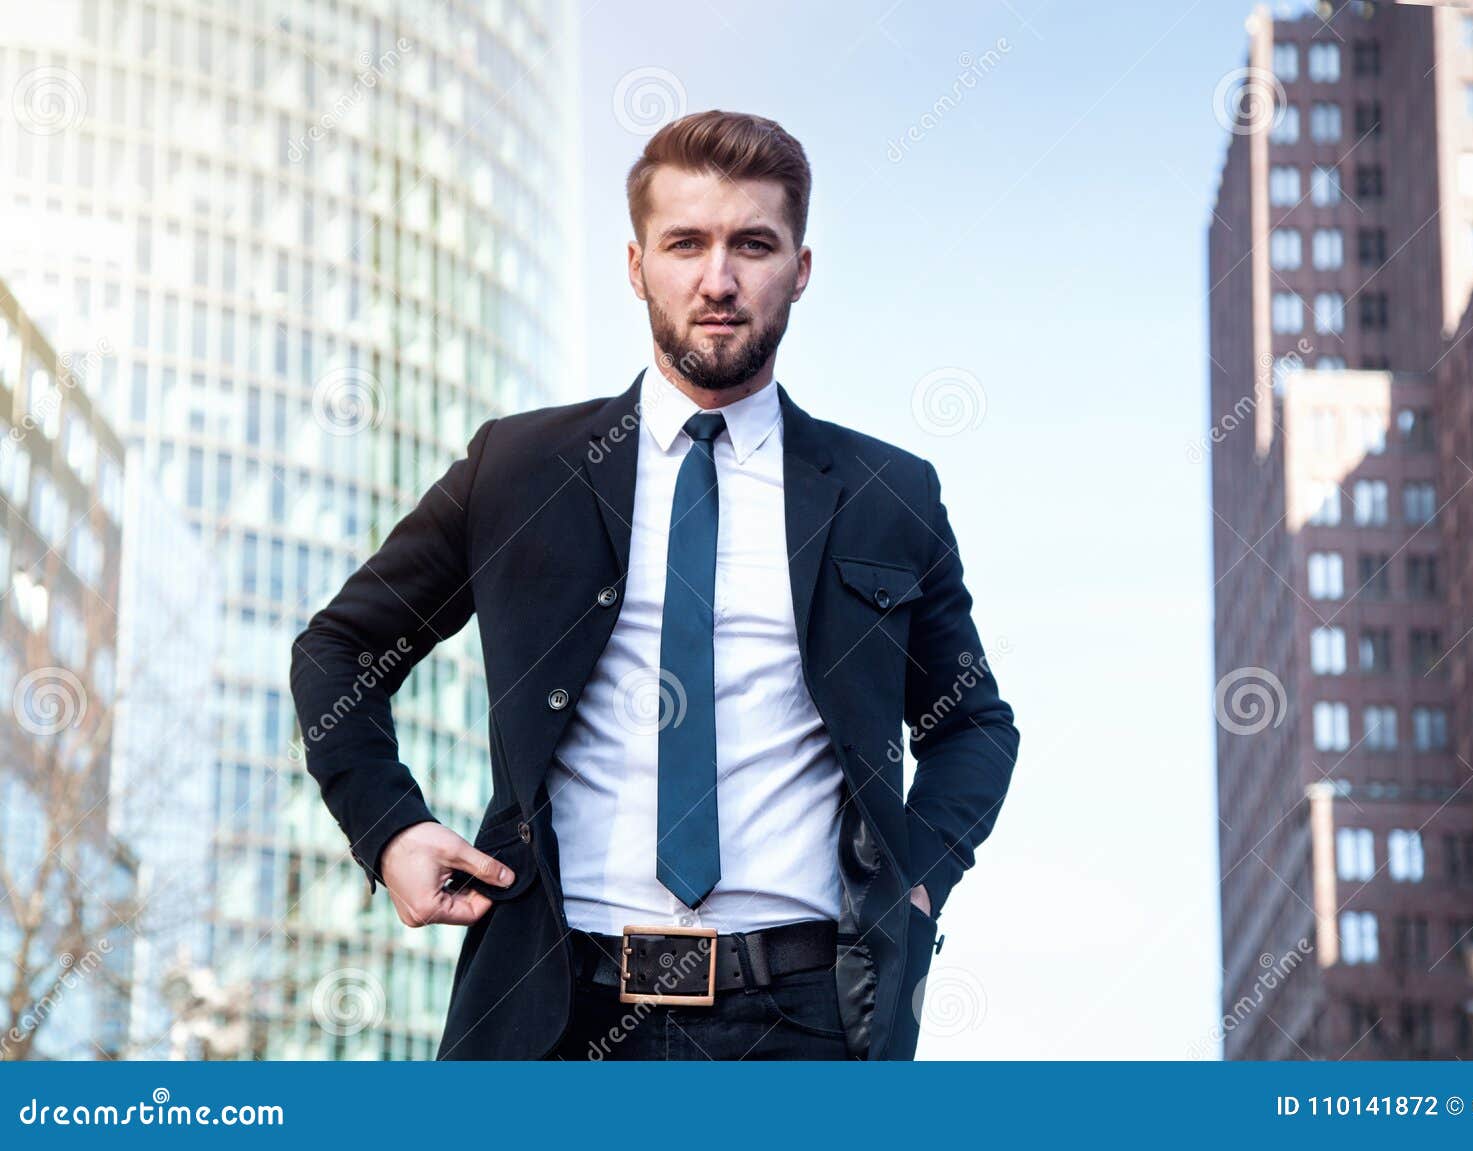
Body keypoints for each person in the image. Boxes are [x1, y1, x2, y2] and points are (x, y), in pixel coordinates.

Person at [289, 109, 1020, 1060]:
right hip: (555, 1015)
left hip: (805, 1027)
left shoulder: (890, 494)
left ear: (800, 268)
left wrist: (917, 875)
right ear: (637, 265)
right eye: (687, 243)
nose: (718, 279)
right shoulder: (518, 466)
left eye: (753, 244)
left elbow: (972, 724)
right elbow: (338, 647)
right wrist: (390, 828)